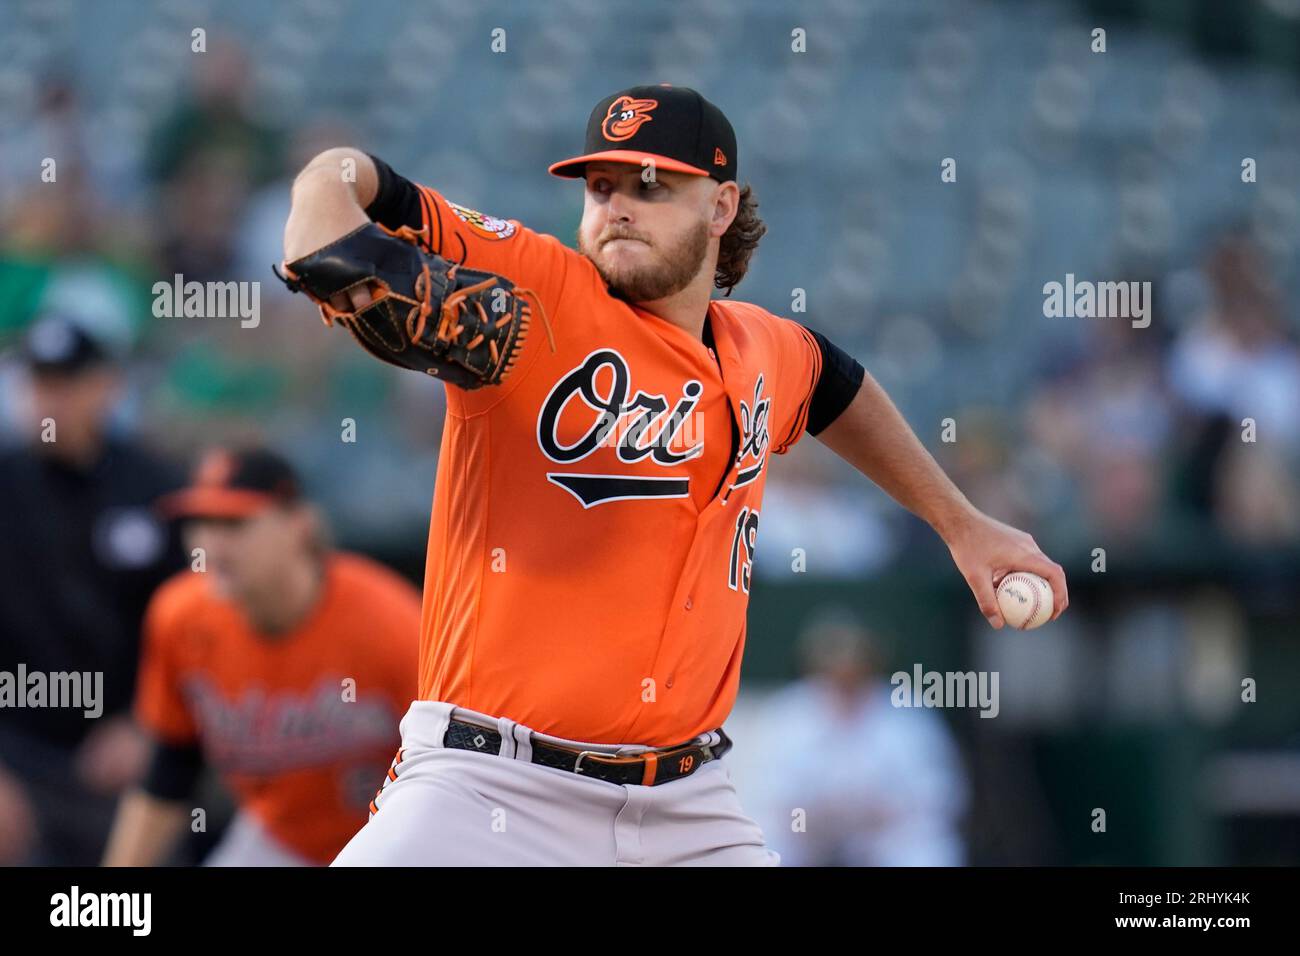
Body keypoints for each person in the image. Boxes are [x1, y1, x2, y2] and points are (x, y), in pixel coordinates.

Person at [280, 84, 1068, 866]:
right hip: (491, 790)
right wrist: (327, 185)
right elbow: (353, 202)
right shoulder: (544, 290)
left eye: (651, 186)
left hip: (689, 810)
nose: (619, 206)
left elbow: (836, 384)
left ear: (721, 207)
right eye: (602, 188)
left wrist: (961, 523)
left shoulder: (768, 351)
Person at [102, 447, 419, 866]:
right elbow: (171, 771)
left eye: (234, 523)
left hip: (395, 839)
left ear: (298, 525)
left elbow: (454, 766)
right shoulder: (180, 618)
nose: (211, 544)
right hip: (282, 840)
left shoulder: (388, 620)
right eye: (201, 523)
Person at [0, 313, 184, 865]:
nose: (50, 401)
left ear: (106, 387)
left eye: (67, 383)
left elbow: (193, 627)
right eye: (40, 384)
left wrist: (144, 725)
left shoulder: (157, 488)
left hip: (133, 761)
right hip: (19, 755)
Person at [751, 610, 968, 866]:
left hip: (883, 836)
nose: (845, 672)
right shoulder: (788, 714)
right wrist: (820, 814)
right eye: (834, 663)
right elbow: (765, 800)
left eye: (855, 664)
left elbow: (943, 797)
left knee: (929, 850)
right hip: (808, 837)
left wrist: (882, 810)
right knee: (767, 845)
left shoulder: (907, 713)